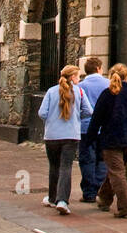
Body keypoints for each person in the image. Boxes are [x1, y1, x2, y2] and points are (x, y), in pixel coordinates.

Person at [82, 63, 127, 218]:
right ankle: (104, 198)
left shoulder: (107, 94)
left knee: (117, 172)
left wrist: (89, 139)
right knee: (115, 170)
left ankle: (125, 206)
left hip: (110, 140)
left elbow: (96, 119)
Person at [38, 64, 93, 214]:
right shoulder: (79, 91)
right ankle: (62, 201)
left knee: (54, 166)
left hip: (52, 135)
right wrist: (75, 118)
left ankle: (51, 198)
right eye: (78, 76)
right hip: (71, 135)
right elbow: (89, 111)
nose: (79, 79)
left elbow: (42, 113)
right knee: (66, 167)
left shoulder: (51, 91)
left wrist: (52, 120)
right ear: (73, 77)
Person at [77, 57, 110, 203]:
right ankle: (99, 188)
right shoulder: (108, 84)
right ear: (98, 68)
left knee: (87, 159)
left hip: (85, 128)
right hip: (104, 127)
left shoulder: (81, 86)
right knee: (103, 159)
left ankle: (89, 192)